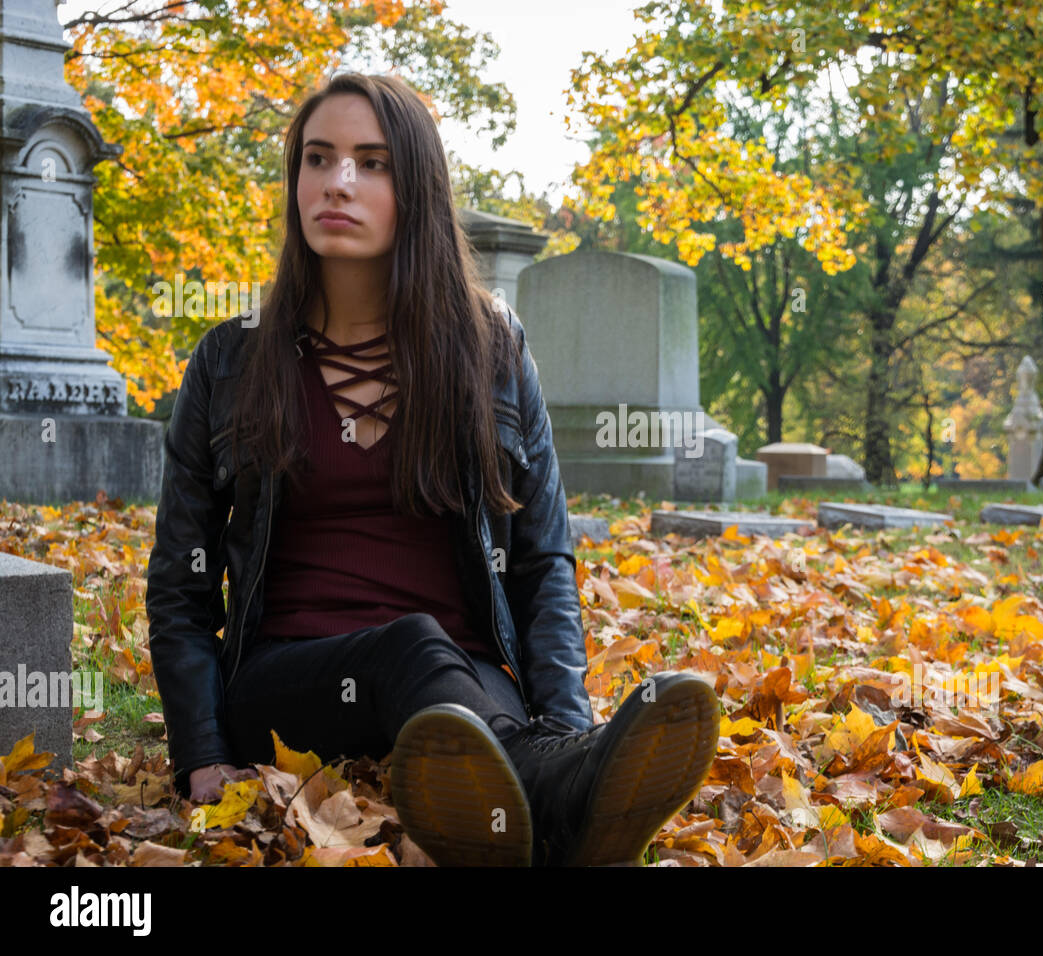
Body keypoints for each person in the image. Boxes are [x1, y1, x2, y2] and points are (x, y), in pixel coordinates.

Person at [145, 72, 720, 867]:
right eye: (319, 158)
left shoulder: (490, 350)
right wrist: (201, 751)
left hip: (465, 687)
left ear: (417, 187)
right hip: (287, 682)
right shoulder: (231, 360)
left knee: (441, 677)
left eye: (372, 163)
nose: (337, 182)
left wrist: (563, 720)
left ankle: (541, 782)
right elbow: (181, 577)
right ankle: (576, 798)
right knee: (409, 646)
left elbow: (542, 558)